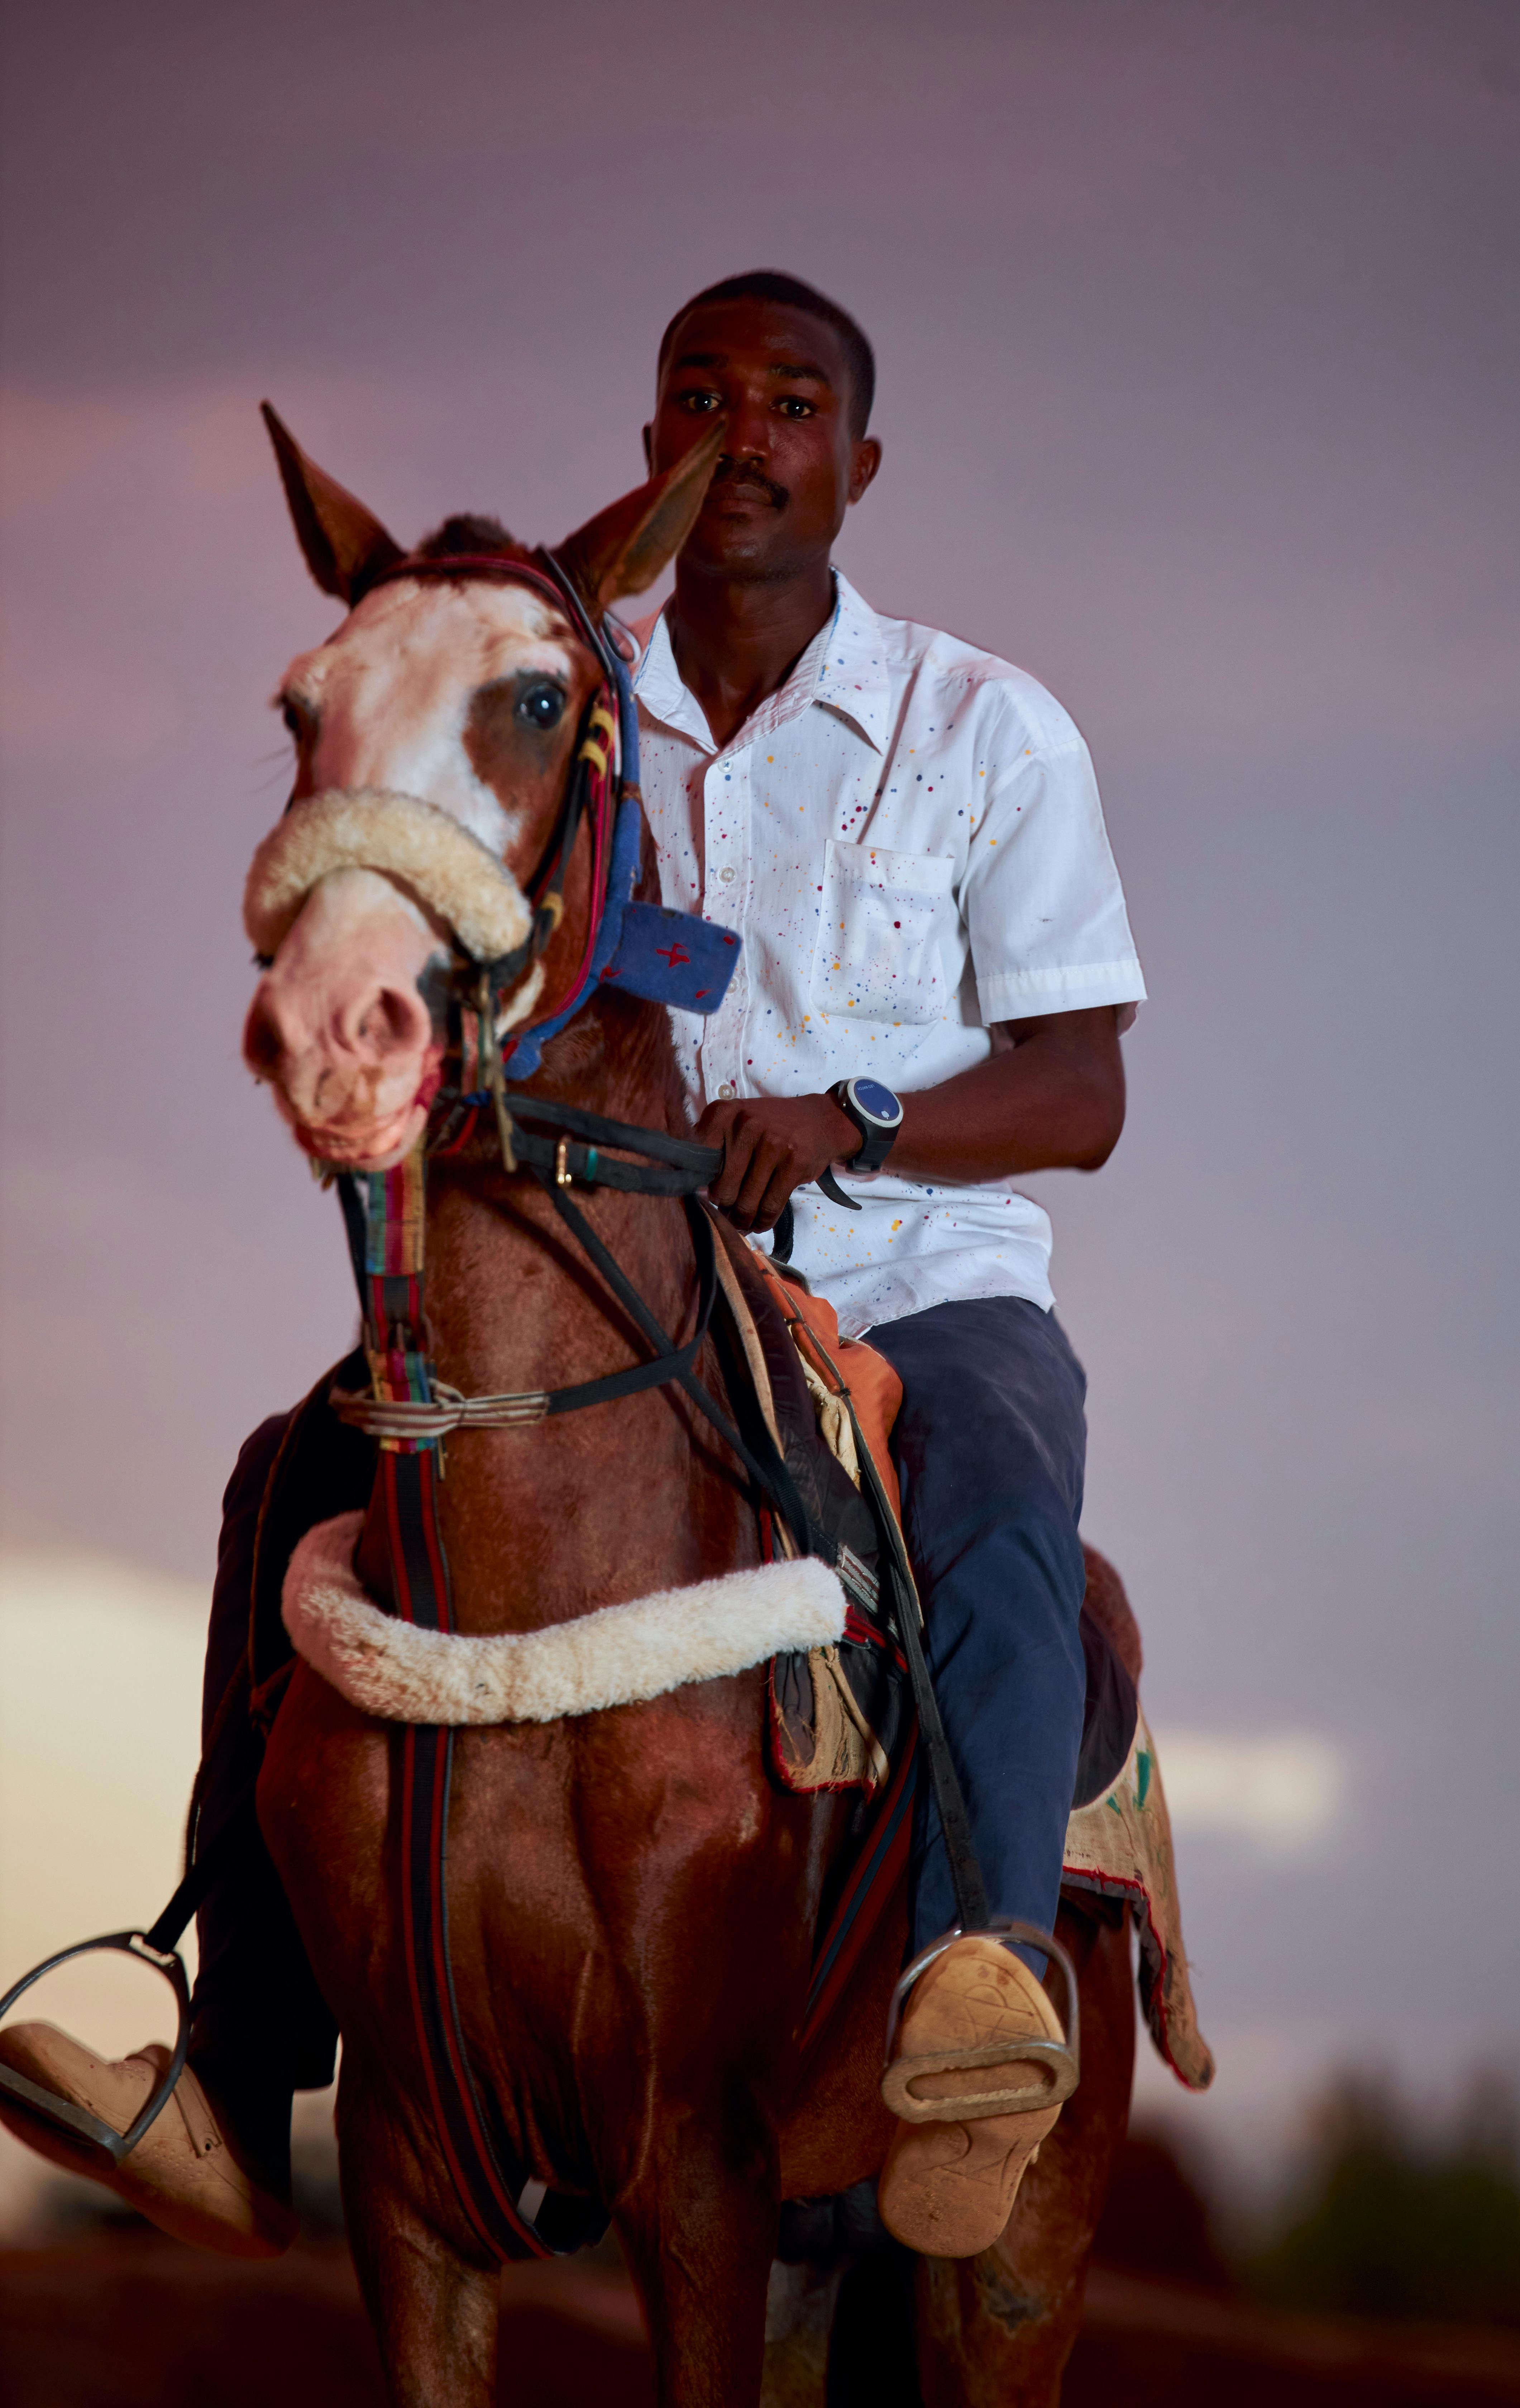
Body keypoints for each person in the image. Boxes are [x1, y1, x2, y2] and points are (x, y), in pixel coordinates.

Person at [0, 272, 1144, 2264]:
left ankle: (979, 1989)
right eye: (704, 393)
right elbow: (431, 912)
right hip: (608, 1288)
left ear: (857, 465)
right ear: (654, 452)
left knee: (1003, 1489)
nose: (749, 430)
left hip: (913, 1277)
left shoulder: (987, 726)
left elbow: (1083, 1089)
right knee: (293, 1476)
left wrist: (855, 1121)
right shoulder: (549, 687)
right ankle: (233, 2056)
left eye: (795, 402)